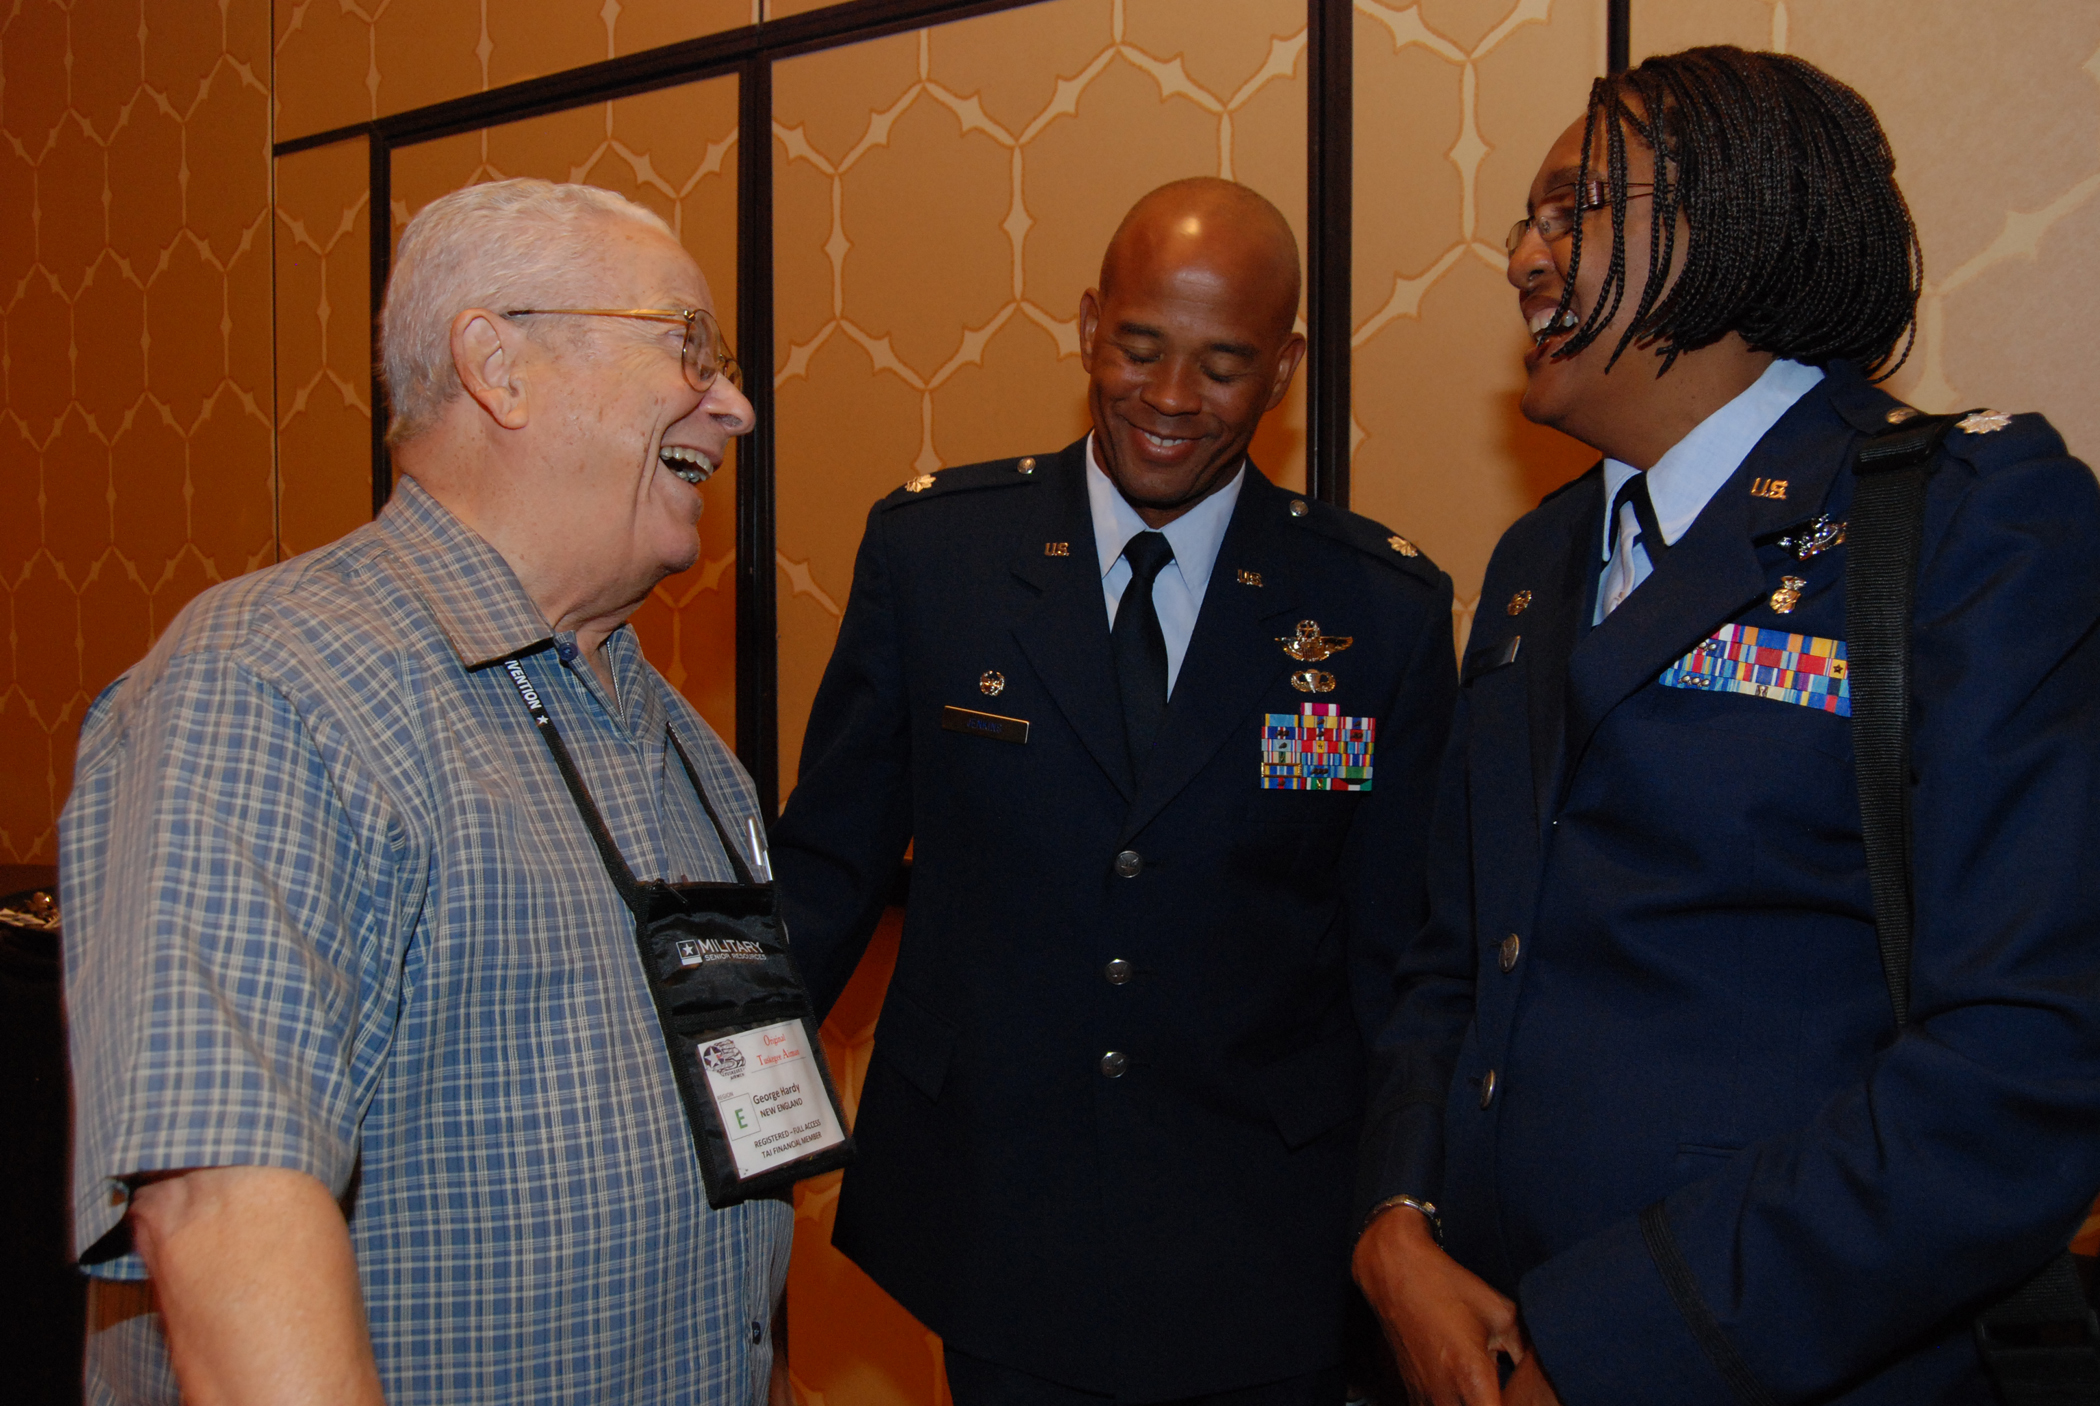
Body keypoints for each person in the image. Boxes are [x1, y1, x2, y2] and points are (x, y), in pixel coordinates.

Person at [1352, 46, 2100, 1406]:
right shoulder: (1535, 557)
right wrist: (1396, 1219)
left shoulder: (1961, 519)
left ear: (1729, 222)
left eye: (1573, 207)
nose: (1524, 255)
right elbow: (1455, 961)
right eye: (1526, 218)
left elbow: (2023, 1066)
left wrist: (1603, 1346)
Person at [62, 179, 787, 1404]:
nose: (735, 403)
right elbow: (222, 1205)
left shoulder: (690, 754)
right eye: (689, 348)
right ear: (496, 364)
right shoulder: (274, 683)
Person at [771, 177, 1457, 1404]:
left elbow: (1398, 957)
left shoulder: (1378, 613)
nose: (1171, 399)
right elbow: (830, 865)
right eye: (1139, 348)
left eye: (1224, 364)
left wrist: (1404, 1209)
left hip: (1268, 1238)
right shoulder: (938, 557)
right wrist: (711, 1109)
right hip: (996, 1211)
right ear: (1089, 324)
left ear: (1286, 366)